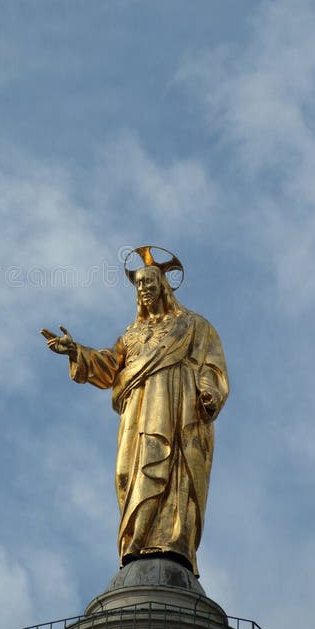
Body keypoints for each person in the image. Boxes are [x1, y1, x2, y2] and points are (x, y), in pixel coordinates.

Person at [41, 247, 228, 576]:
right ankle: (136, 541)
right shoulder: (131, 336)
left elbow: (211, 365)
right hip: (138, 412)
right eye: (138, 284)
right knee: (129, 474)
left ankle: (174, 543)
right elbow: (108, 366)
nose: (143, 288)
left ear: (163, 286)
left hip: (179, 410)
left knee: (175, 472)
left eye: (149, 281)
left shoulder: (194, 326)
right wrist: (76, 351)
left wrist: (209, 390)